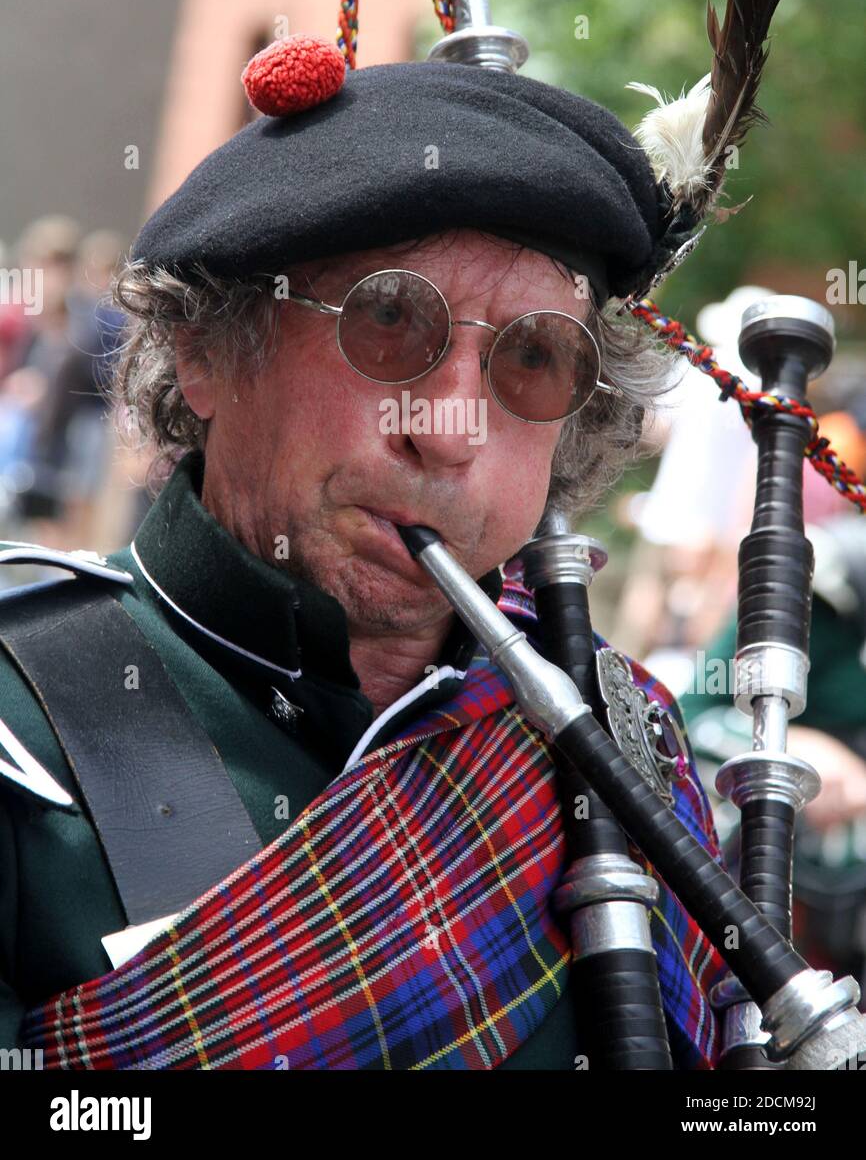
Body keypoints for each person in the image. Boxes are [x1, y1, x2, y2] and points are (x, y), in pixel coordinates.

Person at [0, 54, 730, 1071]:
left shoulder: (621, 737)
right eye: (389, 319)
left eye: (529, 358)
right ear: (209, 348)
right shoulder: (20, 732)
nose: (450, 433)